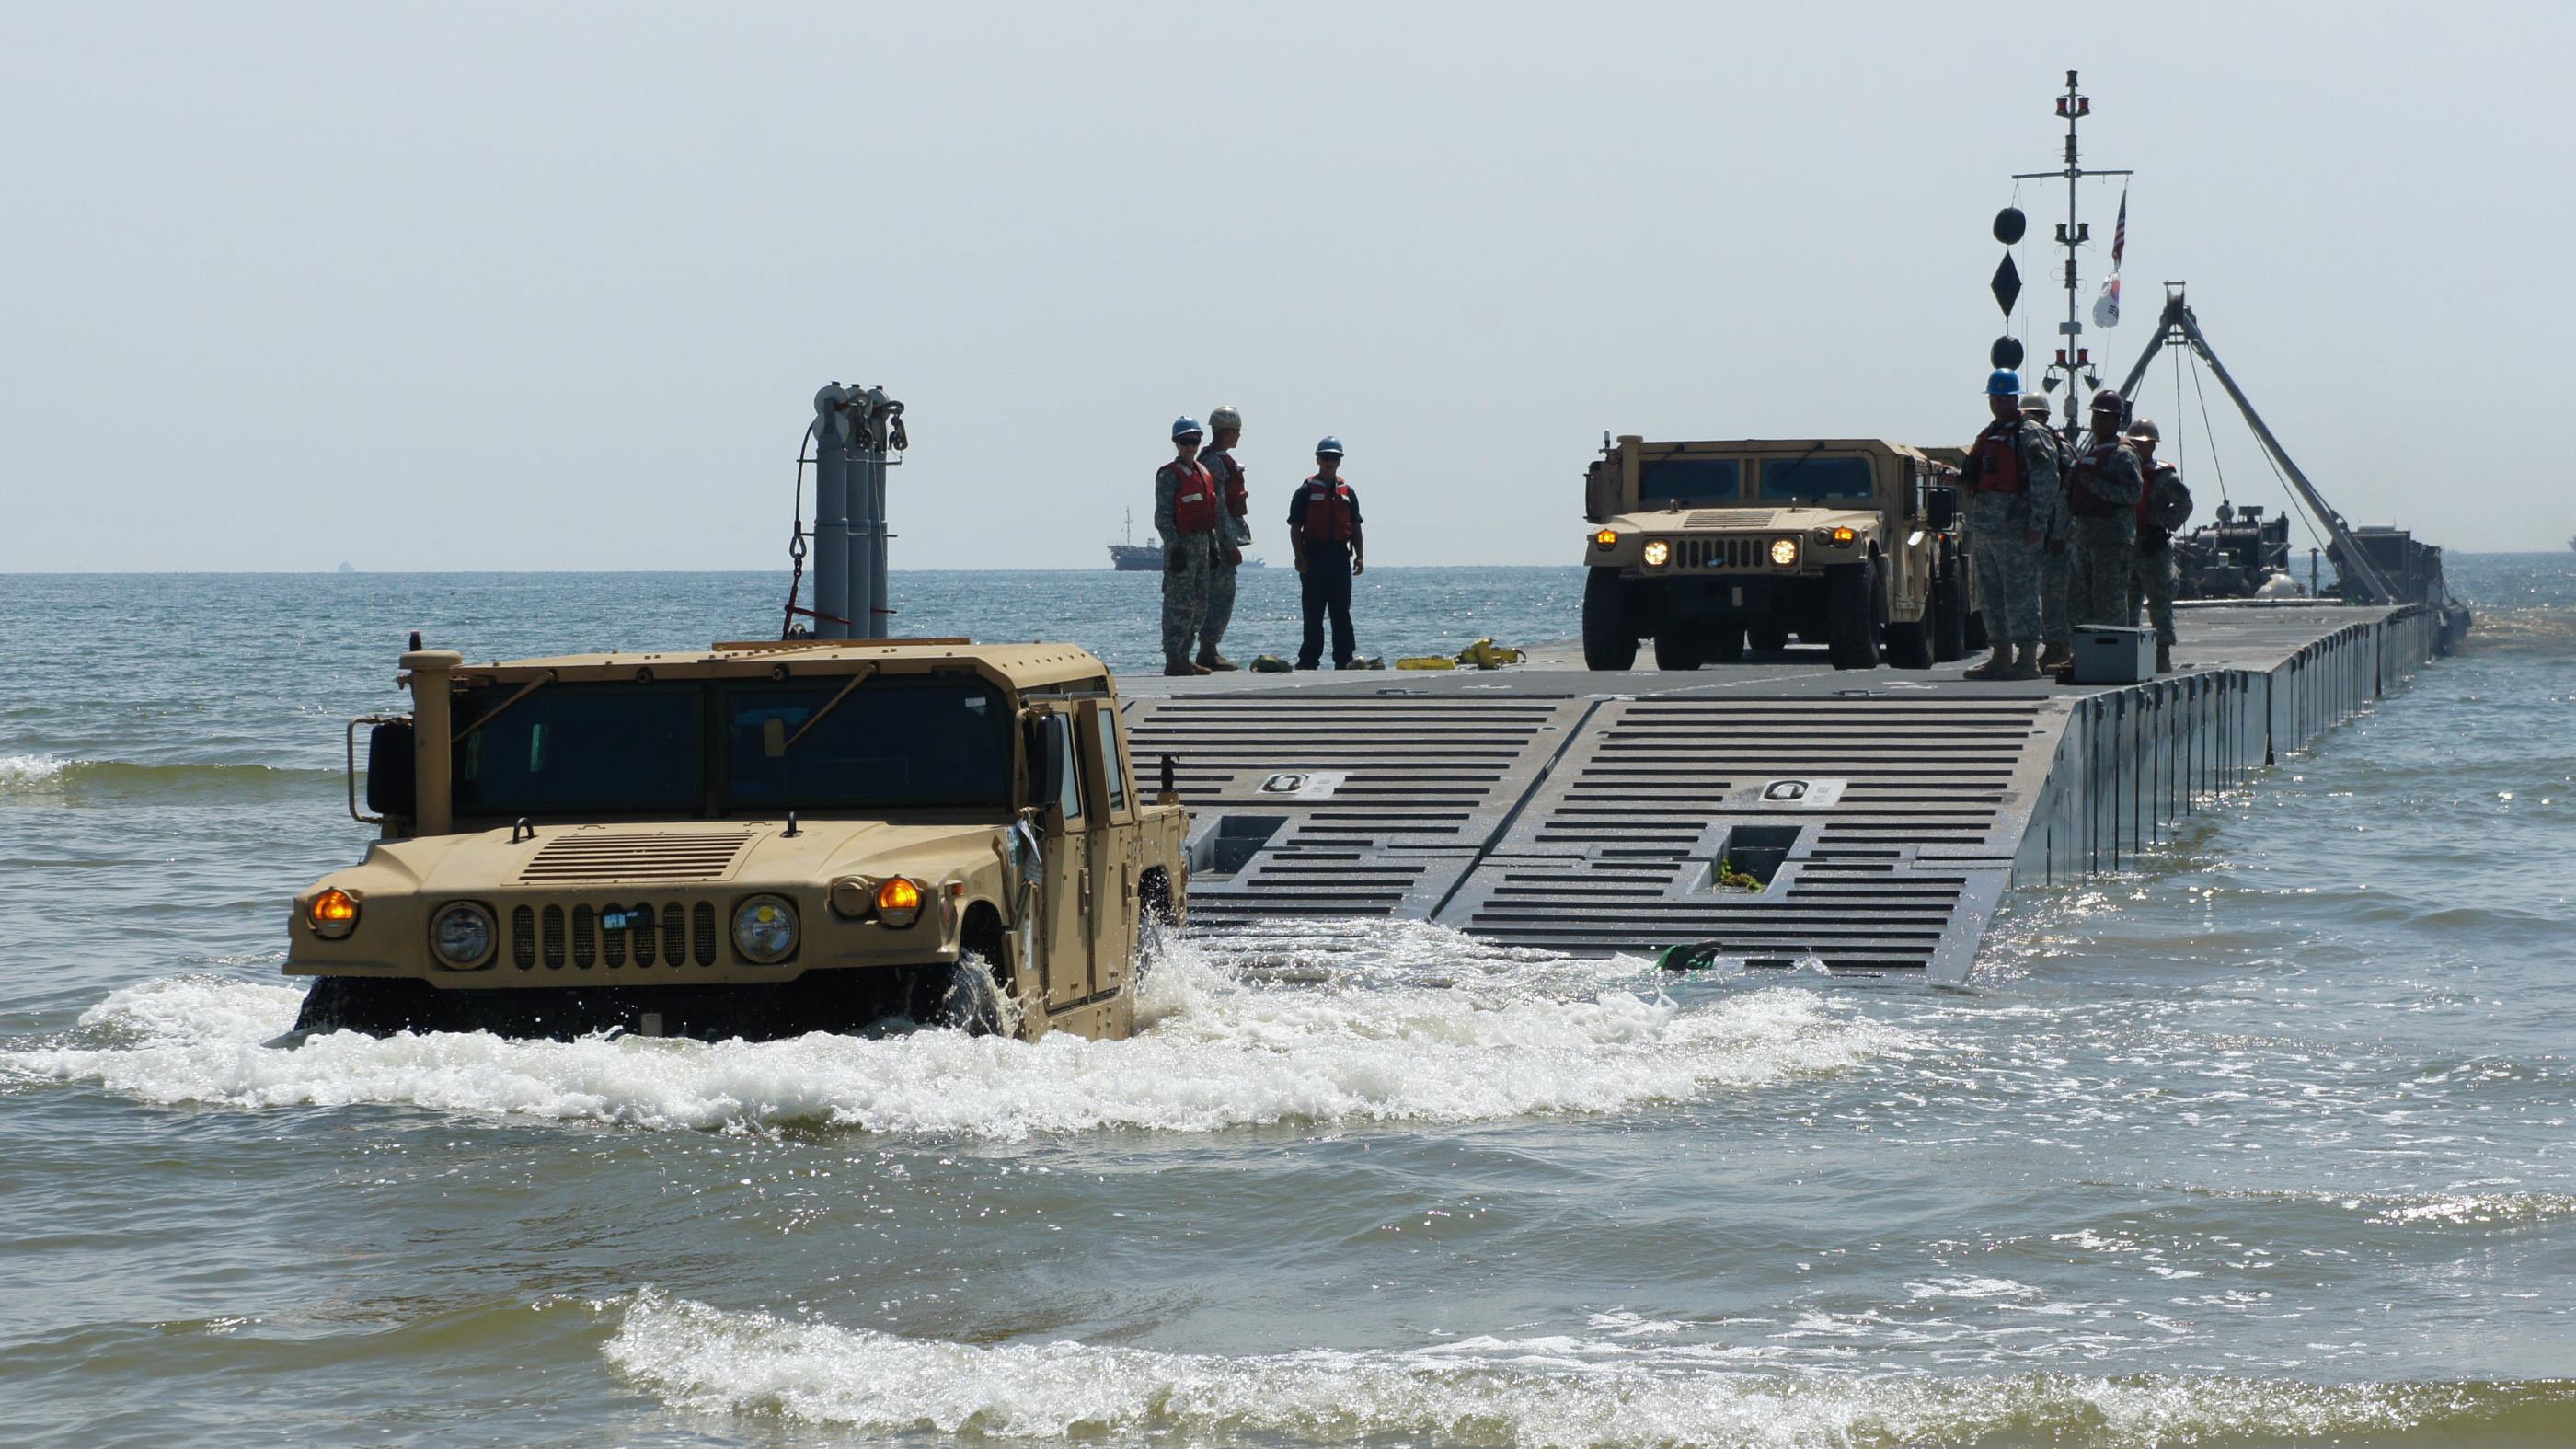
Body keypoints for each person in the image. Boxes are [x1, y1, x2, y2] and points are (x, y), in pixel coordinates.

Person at [1955, 369, 2060, 680]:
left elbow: (2046, 478)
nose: (1998, 403)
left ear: (2015, 399)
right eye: (1994, 398)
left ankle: (2027, 658)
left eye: (2004, 398)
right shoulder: (1989, 434)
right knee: (1990, 595)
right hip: (1986, 529)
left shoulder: (2029, 433)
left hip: (2016, 529)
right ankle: (2000, 654)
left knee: (2021, 593)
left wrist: (2037, 522)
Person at [2064, 389, 2145, 642]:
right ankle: (2082, 656)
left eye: (2105, 417)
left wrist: (2096, 486)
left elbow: (2134, 493)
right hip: (2085, 539)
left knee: (2110, 602)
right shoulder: (2090, 453)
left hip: (2112, 541)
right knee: (2079, 601)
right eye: (2096, 416)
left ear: (2118, 421)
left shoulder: (2123, 454)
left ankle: (2112, 655)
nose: (2098, 422)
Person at [1155, 416, 1223, 676]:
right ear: (1176, 443)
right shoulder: (1169, 476)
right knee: (1177, 604)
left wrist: (1213, 546)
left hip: (1202, 546)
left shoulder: (1203, 473)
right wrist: (1175, 548)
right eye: (1185, 442)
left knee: (1199, 604)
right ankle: (1174, 658)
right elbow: (1162, 517)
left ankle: (1186, 654)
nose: (1190, 446)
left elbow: (1209, 515)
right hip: (1181, 549)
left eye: (1194, 441)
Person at [1288, 436, 1364, 669]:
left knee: (1341, 610)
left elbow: (1356, 527)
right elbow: (1295, 527)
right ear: (1318, 460)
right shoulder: (1305, 491)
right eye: (1325, 458)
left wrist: (1360, 555)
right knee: (1313, 612)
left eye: (1334, 458)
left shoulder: (1348, 492)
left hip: (1340, 556)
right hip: (1314, 555)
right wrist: (1299, 556)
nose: (1329, 462)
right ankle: (1309, 660)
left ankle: (1344, 658)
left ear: (1340, 461)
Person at [1194, 406, 1251, 671]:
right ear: (1227, 433)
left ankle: (1209, 648)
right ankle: (1208, 649)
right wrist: (1229, 545)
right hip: (1218, 545)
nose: (1239, 437)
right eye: (1236, 432)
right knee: (1221, 596)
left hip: (1214, 542)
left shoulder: (1210, 459)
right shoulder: (1215, 463)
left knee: (1216, 596)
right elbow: (1218, 508)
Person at [2026, 393, 2079, 671]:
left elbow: (2064, 495)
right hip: (2044, 533)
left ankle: (2060, 647)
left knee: (2054, 592)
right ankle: (2054, 646)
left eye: (2034, 415)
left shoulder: (2057, 447)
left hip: (2058, 535)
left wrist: (2059, 534)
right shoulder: (2043, 443)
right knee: (2044, 591)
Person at [2124, 418, 2180, 673]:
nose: (2137, 448)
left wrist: (2160, 520)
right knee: (2126, 603)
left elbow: (2184, 505)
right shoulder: (2122, 470)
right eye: (2133, 443)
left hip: (2154, 546)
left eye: (2143, 444)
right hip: (2126, 546)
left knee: (2159, 602)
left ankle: (2162, 654)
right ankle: (2127, 653)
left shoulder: (2164, 476)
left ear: (2153, 447)